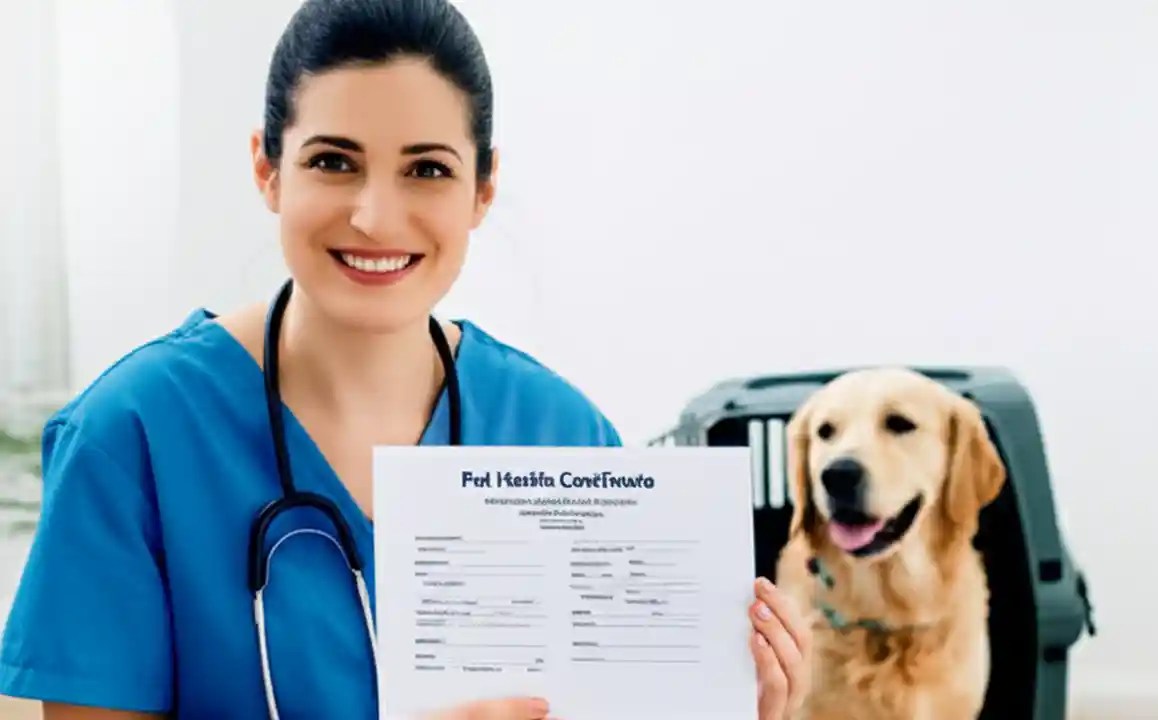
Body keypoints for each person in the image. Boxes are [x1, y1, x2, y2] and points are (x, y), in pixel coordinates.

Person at [0, 0, 810, 717]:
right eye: (332, 161)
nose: (376, 215)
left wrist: (734, 704)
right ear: (266, 169)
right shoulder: (134, 434)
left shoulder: (562, 433)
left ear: (482, 191)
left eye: (427, 169)